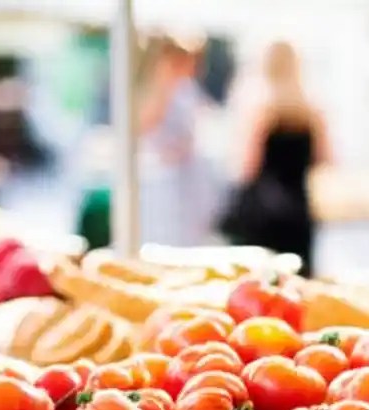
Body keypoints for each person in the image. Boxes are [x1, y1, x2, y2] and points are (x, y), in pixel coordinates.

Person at [221, 41, 330, 275]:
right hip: (298, 212)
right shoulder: (313, 111)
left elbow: (248, 167)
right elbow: (326, 159)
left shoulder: (260, 109)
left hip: (261, 216)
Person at [136, 34, 222, 248]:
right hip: (163, 176)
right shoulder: (157, 88)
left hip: (189, 174)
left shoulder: (188, 88)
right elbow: (144, 124)